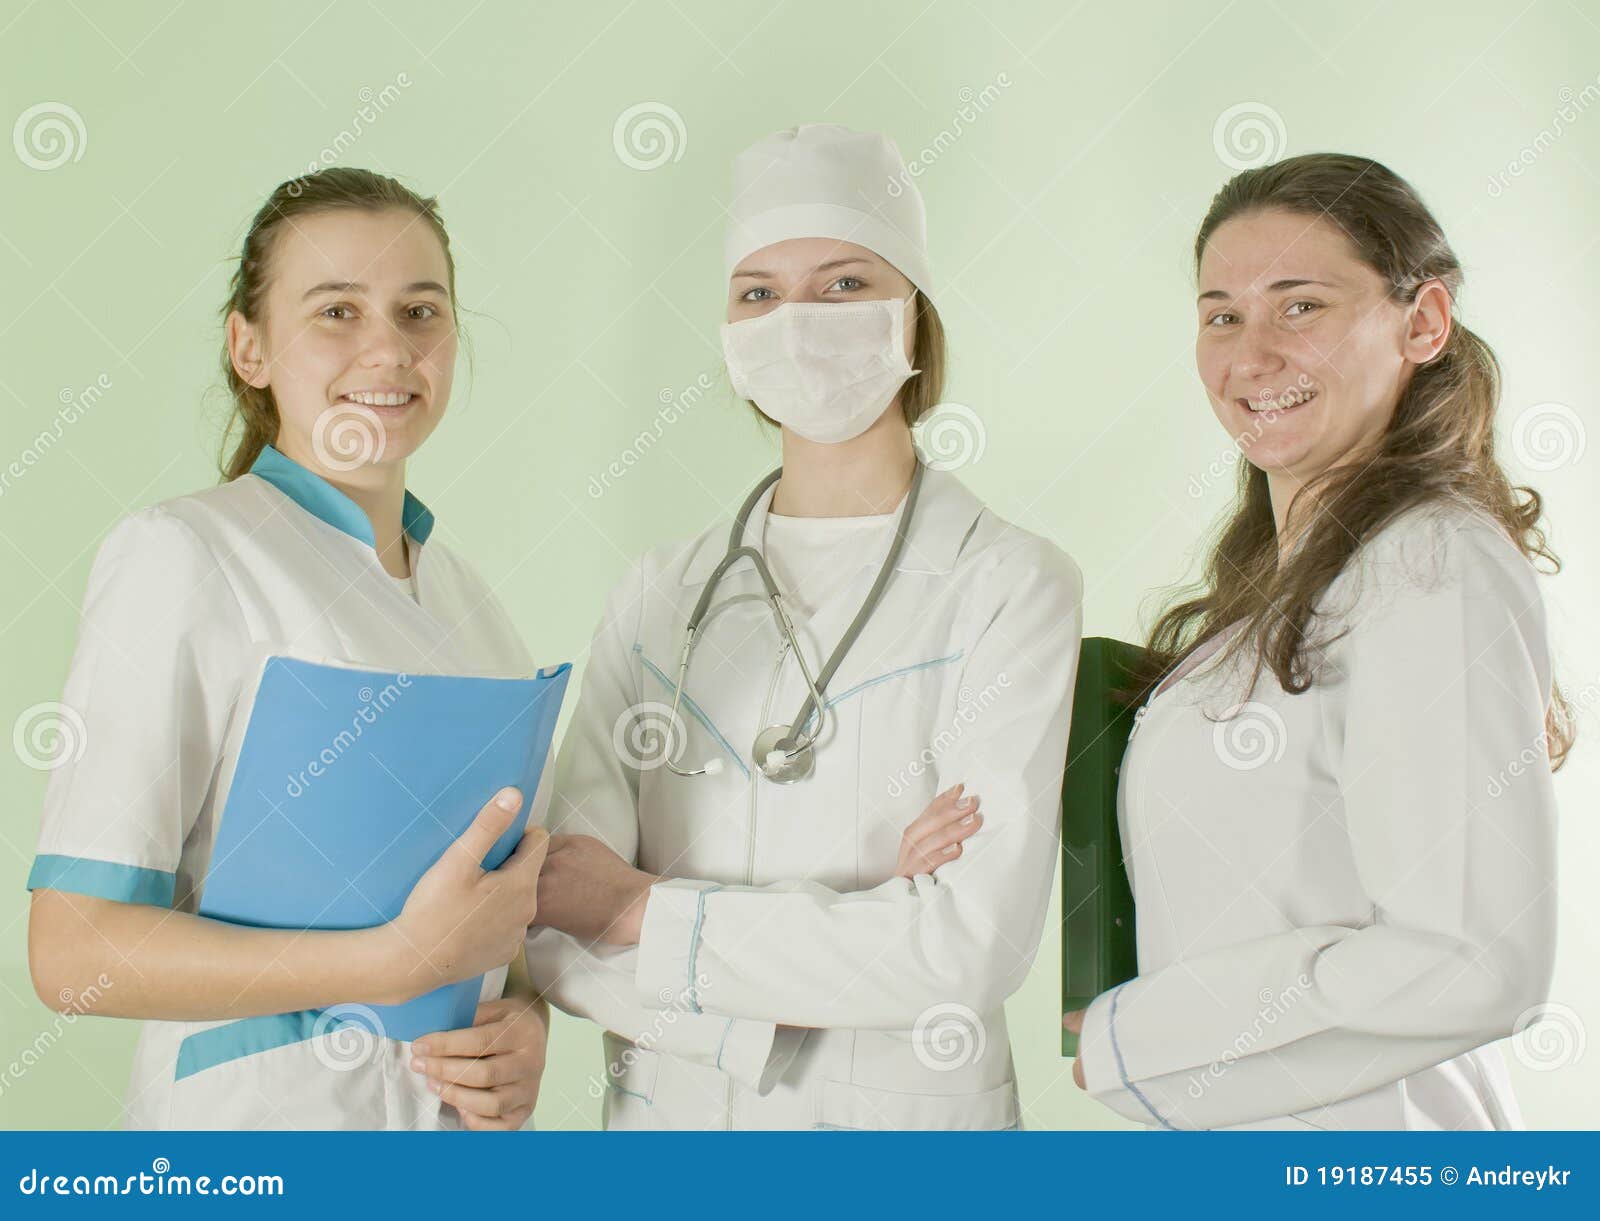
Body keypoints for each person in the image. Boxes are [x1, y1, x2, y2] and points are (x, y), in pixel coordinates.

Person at [526, 125, 1083, 1130]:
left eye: (842, 284)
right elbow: (553, 921)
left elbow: (965, 949)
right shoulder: (659, 596)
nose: (797, 321)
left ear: (913, 316)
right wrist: (863, 911)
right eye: (758, 293)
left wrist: (638, 907)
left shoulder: (1008, 584)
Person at [27, 168, 551, 1130]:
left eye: (419, 309)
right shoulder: (184, 555)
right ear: (249, 346)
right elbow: (72, 952)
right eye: (337, 311)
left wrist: (523, 1024)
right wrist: (393, 962)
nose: (388, 346)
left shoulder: (474, 608)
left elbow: (491, 920)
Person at [1065, 153, 1571, 1130]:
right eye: (1222, 315)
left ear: (1421, 323)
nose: (1250, 356)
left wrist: (1132, 1040)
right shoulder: (1266, 609)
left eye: (1300, 306)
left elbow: (1477, 960)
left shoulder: (1428, 560)